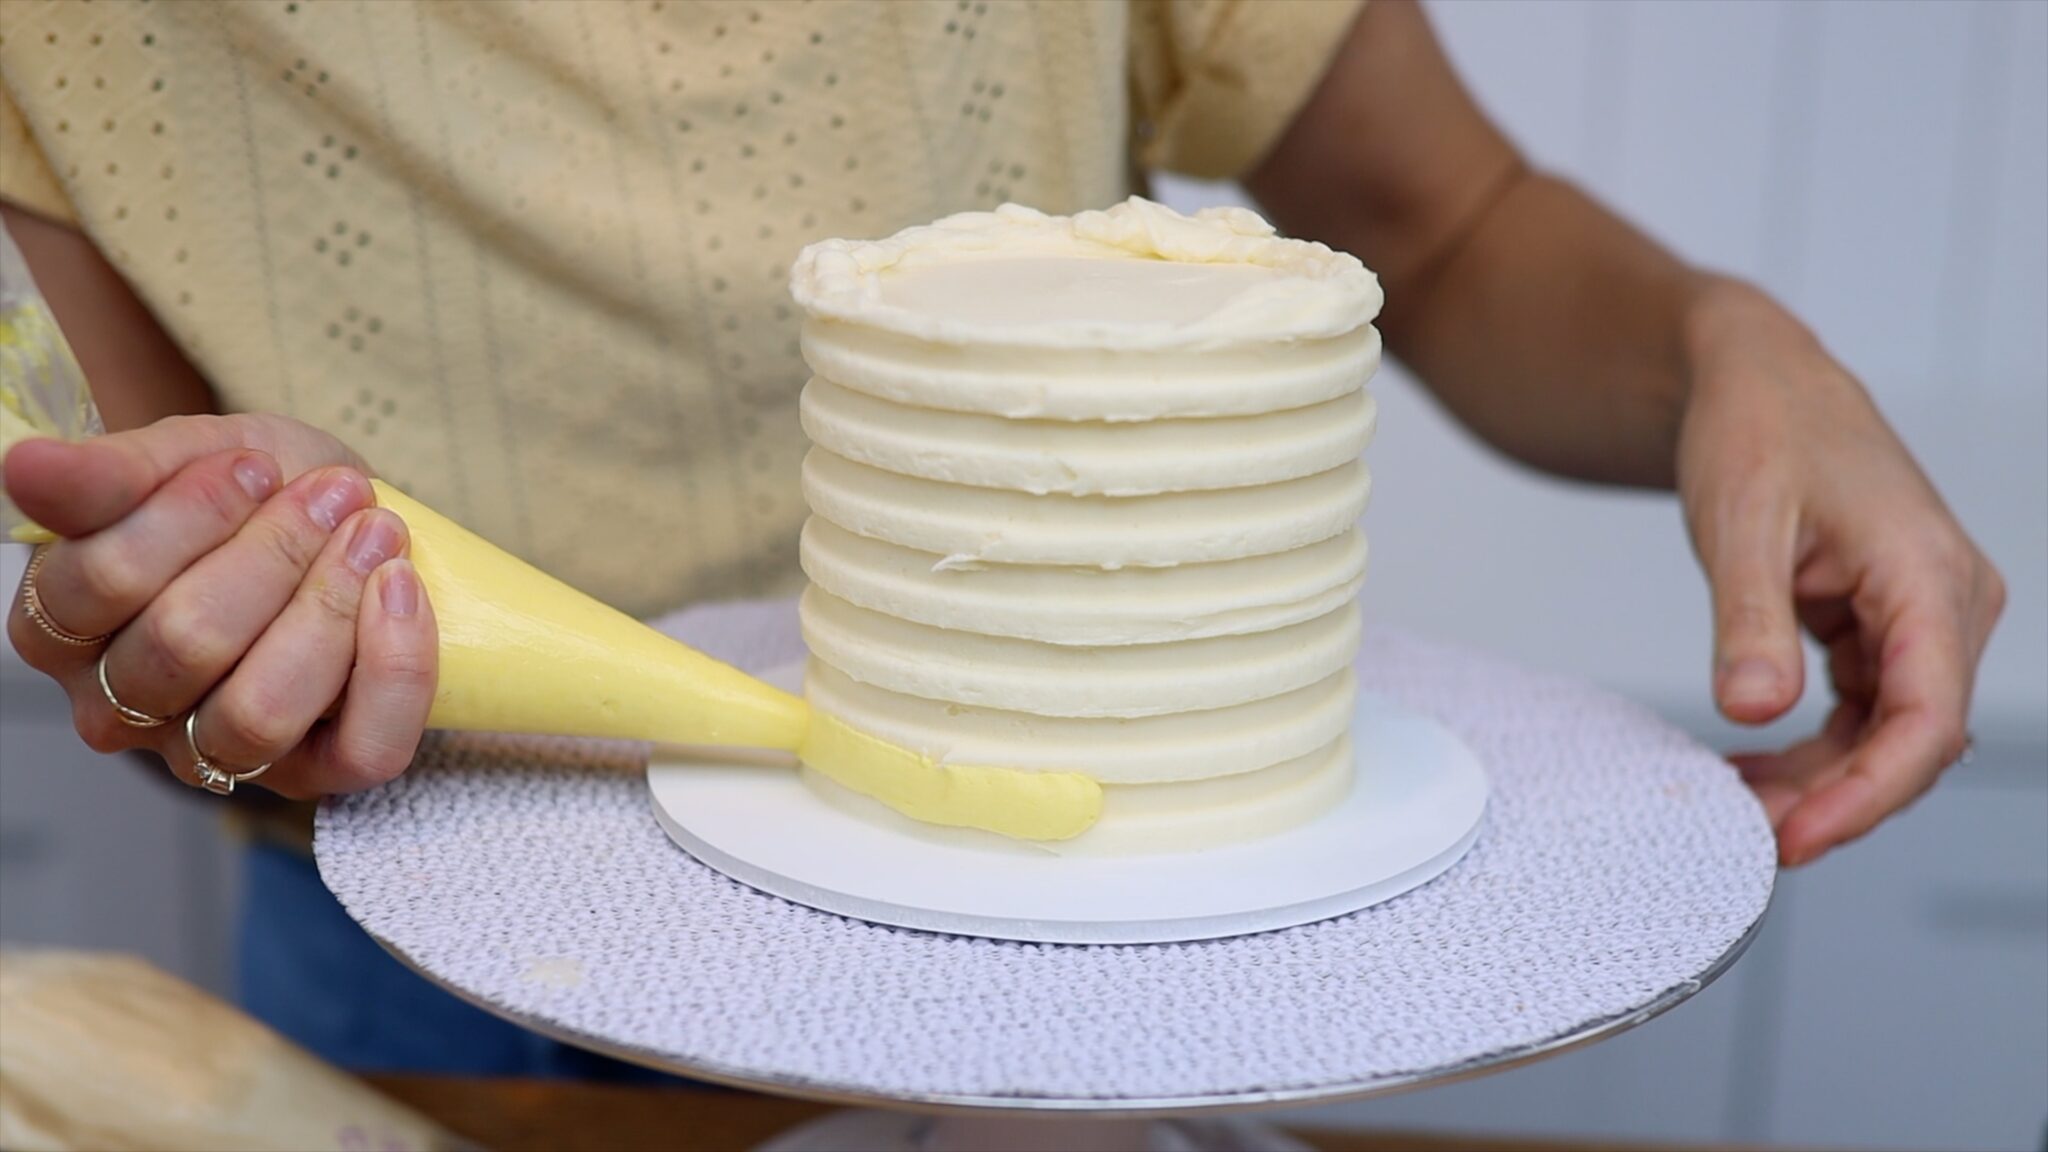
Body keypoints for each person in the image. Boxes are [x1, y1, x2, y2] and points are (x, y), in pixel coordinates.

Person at [1, 0, 2004, 1074]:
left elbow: (1451, 223)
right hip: (454, 974)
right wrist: (229, 610)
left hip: (1098, 959)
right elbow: (143, 533)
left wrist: (1724, 343)